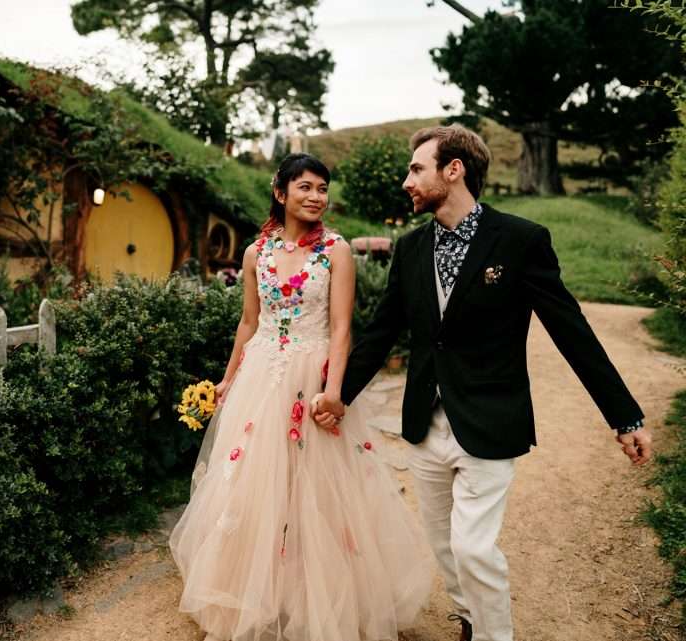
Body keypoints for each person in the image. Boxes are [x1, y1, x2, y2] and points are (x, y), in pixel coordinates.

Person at [313, 124, 653, 641]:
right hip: (425, 422)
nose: (407, 180)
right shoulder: (409, 249)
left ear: (454, 170)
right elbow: (380, 334)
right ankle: (470, 618)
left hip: (490, 418)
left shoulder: (520, 241)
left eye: (416, 168)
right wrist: (338, 397)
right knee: (445, 545)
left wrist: (623, 415)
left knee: (473, 547)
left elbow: (572, 331)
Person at [169, 153, 432, 641]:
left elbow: (341, 328)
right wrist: (227, 381)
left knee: (319, 488)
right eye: (306, 187)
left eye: (322, 189)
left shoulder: (337, 250)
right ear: (281, 192)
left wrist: (333, 392)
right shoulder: (255, 253)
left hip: (313, 376)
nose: (315, 197)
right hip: (261, 375)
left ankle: (319, 597)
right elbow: (249, 322)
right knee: (255, 486)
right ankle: (258, 592)